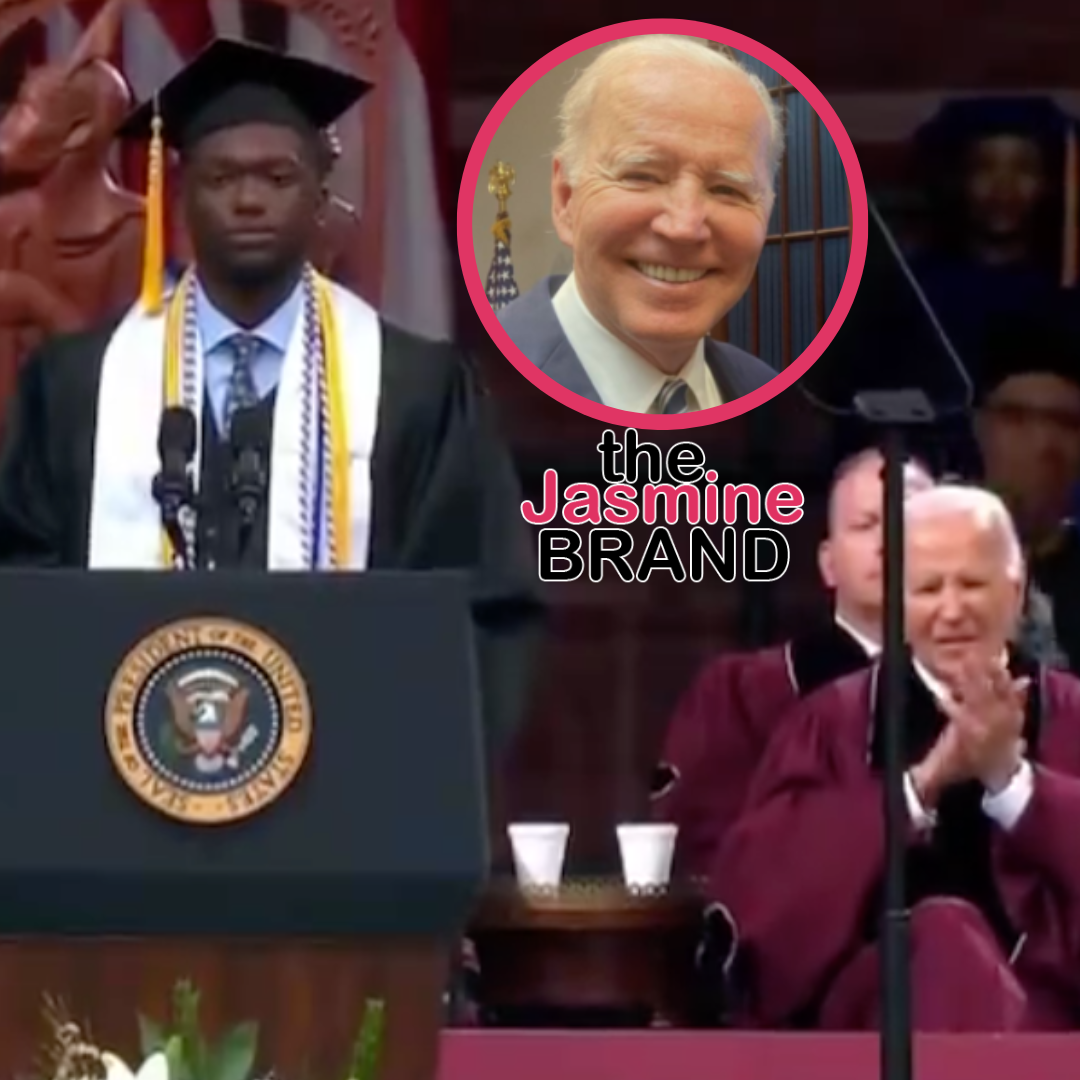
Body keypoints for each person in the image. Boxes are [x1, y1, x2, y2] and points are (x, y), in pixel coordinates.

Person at [0, 38, 540, 758]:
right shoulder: (77, 386)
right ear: (181, 190)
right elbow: (22, 593)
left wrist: (414, 773)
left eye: (277, 175)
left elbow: (480, 605)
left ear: (321, 192)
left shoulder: (417, 389)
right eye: (222, 176)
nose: (249, 198)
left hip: (352, 794)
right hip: (120, 792)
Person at [713, 484, 1080, 1031]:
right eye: (929, 588)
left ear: (1017, 587)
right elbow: (767, 896)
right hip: (876, 1024)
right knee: (943, 937)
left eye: (972, 585)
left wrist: (1013, 784)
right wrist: (921, 784)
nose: (952, 611)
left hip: (1049, 1027)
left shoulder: (1071, 713)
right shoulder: (829, 722)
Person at [652, 447, 933, 875]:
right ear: (828, 564)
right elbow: (704, 850)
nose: (889, 542)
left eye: (910, 524)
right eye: (866, 525)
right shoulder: (744, 693)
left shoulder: (999, 695)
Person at [497, 35, 778, 414]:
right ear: (567, 199)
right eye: (642, 176)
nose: (683, 226)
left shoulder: (770, 396)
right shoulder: (460, 395)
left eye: (727, 189)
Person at [972, 310, 1080, 670]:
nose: (1043, 442)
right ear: (980, 426)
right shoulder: (930, 559)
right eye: (1017, 418)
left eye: (1065, 423)